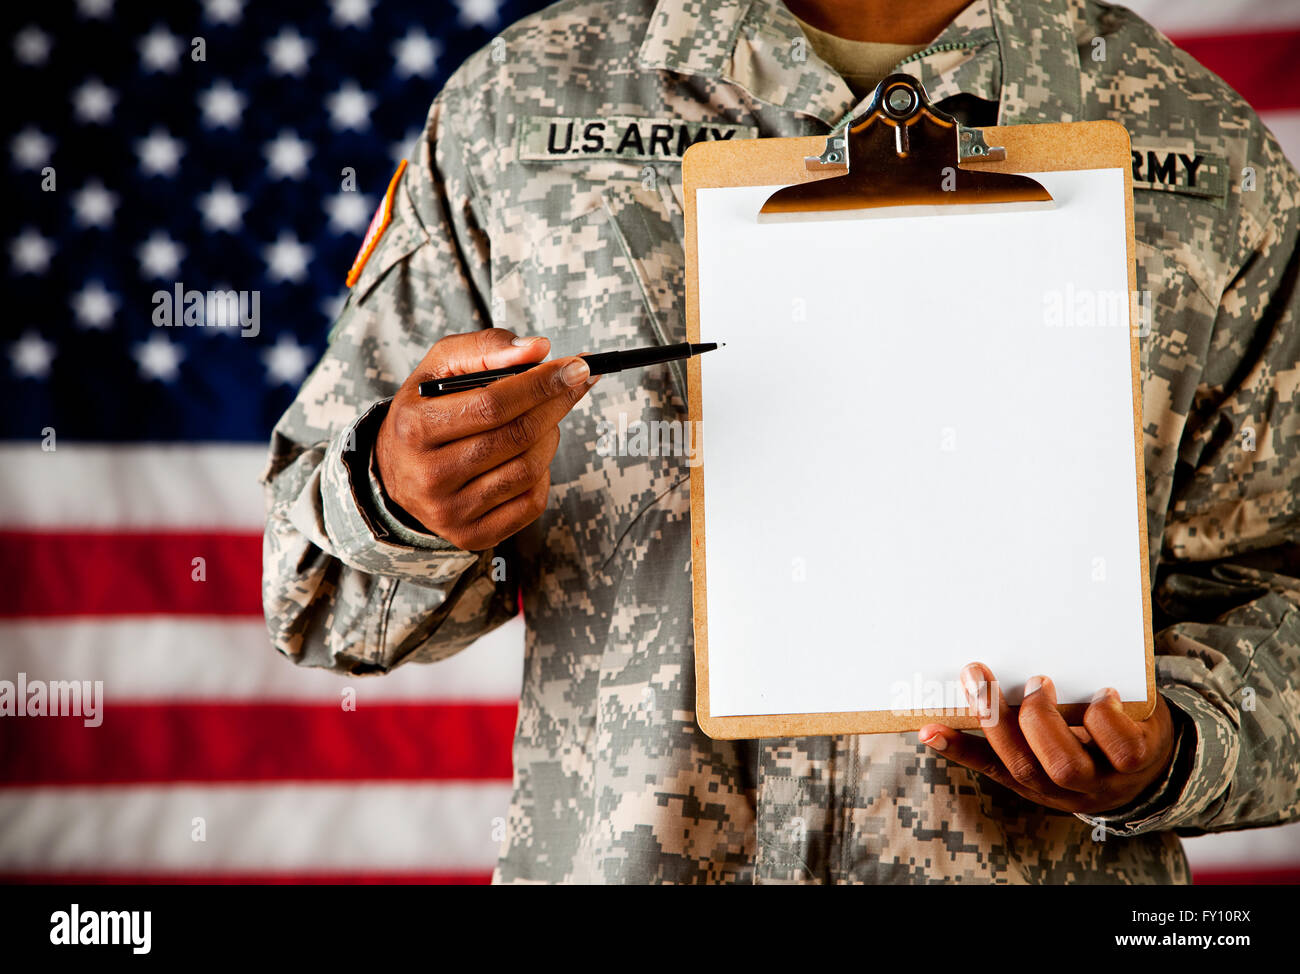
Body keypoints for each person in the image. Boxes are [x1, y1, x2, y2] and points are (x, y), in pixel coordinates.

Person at [260, 0, 1300, 883]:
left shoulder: (1200, 146)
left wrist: (1175, 748)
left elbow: (1279, 594)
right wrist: (400, 493)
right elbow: (308, 594)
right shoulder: (524, 107)